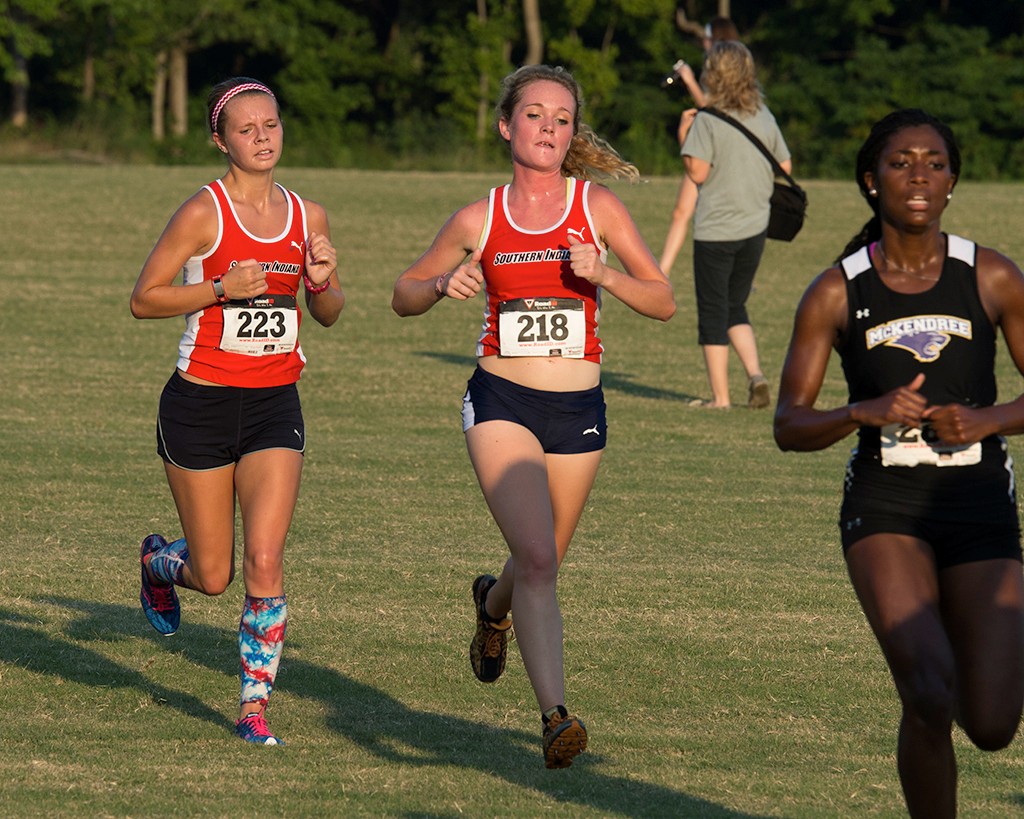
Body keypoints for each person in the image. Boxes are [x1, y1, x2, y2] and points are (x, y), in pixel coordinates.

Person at [391, 64, 675, 768]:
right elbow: (401, 292)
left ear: (573, 133)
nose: (549, 127)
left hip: (578, 405)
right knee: (542, 557)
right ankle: (556, 718)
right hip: (502, 401)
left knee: (540, 558)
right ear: (506, 126)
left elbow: (663, 299)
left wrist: (603, 273)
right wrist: (437, 283)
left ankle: (493, 608)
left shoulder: (596, 208)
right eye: (535, 115)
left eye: (562, 118)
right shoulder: (479, 217)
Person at [773, 109, 1024, 818]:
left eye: (935, 162)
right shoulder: (835, 290)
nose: (919, 175)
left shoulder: (994, 275)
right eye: (901, 161)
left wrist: (989, 418)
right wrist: (862, 411)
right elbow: (789, 423)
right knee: (928, 689)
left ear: (952, 181)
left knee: (994, 723)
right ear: (869, 179)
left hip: (979, 508)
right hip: (886, 508)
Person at [129, 77, 345, 746]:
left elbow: (330, 313)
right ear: (220, 140)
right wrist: (220, 288)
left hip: (274, 404)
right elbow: (144, 297)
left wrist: (321, 281)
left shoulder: (308, 215)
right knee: (215, 573)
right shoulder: (204, 211)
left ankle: (254, 705)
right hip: (199, 404)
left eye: (271, 125)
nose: (262, 137)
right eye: (247, 128)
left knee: (266, 558)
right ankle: (160, 563)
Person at [678, 40, 790, 409]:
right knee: (735, 305)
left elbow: (697, 172)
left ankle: (720, 399)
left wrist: (684, 137)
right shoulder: (763, 115)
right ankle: (756, 374)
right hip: (755, 228)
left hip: (716, 232)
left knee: (713, 310)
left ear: (713, 74)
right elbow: (784, 168)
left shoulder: (708, 119)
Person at [659, 16, 740, 277]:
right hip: (705, 145)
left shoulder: (731, 74)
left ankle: (737, 274)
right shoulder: (711, 69)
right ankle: (662, 271)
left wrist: (689, 79)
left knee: (724, 217)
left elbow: (715, 110)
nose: (704, 42)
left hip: (722, 150)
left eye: (708, 37)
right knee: (681, 211)